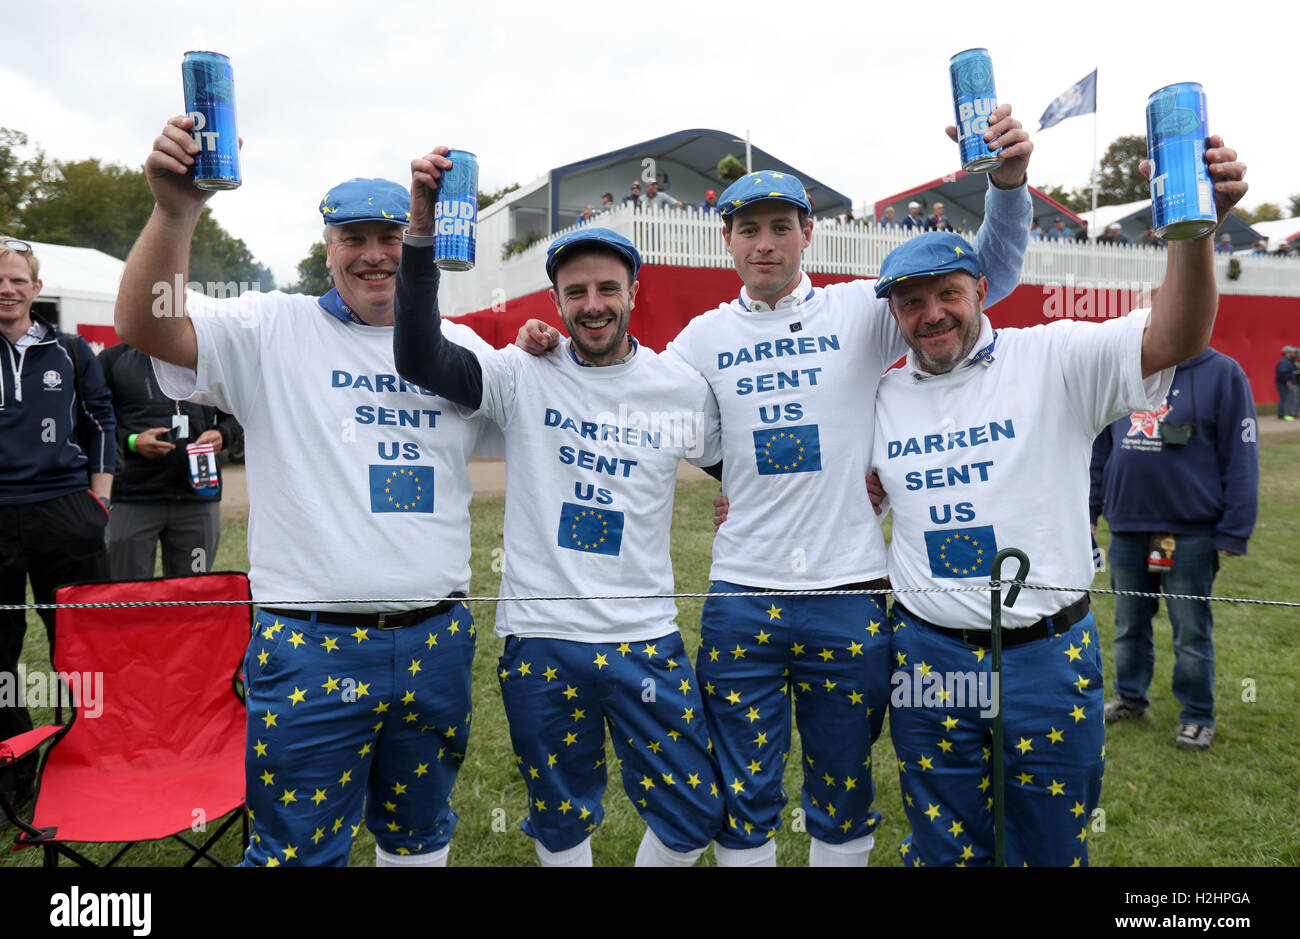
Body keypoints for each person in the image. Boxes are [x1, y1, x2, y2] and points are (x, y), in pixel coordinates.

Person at [519, 103, 1035, 866]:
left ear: (807, 233)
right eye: (748, 230)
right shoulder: (700, 340)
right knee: (743, 798)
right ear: (726, 240)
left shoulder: (862, 309)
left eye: (780, 228)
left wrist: (1009, 185)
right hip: (741, 595)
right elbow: (628, 387)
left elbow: (992, 272)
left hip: (850, 593)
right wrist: (549, 344)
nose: (765, 243)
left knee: (843, 791)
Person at [113, 115, 502, 868]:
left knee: (421, 832)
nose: (374, 254)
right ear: (327, 248)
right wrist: (175, 211)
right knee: (296, 851)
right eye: (354, 238)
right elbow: (146, 325)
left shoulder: (462, 349)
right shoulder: (271, 327)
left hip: (436, 638)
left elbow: (551, 425)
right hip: (311, 645)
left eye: (390, 236)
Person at [869, 136, 1246, 865]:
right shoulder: (880, 396)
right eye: (912, 303)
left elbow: (1176, 335)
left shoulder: (1053, 358)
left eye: (948, 294)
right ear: (895, 313)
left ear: (982, 290)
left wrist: (1195, 233)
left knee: (1049, 848)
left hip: (1044, 657)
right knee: (942, 849)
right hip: (928, 656)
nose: (932, 314)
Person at [395, 151, 725, 866]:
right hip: (541, 638)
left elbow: (735, 468)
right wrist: (420, 232)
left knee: (693, 809)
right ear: (556, 301)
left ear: (634, 291)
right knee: (560, 815)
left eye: (607, 288)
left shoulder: (676, 387)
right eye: (576, 292)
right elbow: (421, 357)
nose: (593, 304)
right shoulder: (523, 373)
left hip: (643, 634)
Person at [1090, 348, 1258, 752]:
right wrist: (1089, 509)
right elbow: (1100, 448)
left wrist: (1235, 529)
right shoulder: (1123, 368)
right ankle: (1129, 698)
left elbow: (1241, 454)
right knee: (1128, 624)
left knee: (1190, 631)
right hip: (1128, 527)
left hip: (1190, 532)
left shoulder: (1224, 373)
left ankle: (1198, 714)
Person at [1, 236, 115, 795]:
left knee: (82, 643)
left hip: (67, 512)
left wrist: (100, 501)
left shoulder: (70, 350)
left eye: (17, 279)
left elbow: (101, 422)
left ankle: (92, 756)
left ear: (36, 288)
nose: (7, 288)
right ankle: (13, 770)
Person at [98, 341, 242, 579]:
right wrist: (133, 441)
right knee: (129, 594)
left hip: (197, 499)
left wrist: (222, 434)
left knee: (193, 592)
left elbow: (237, 414)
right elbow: (95, 424)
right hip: (132, 498)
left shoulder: (210, 359)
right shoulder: (112, 360)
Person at [1275, 346, 1298, 420]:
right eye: (1292, 352)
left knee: (1285, 399)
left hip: (1284, 383)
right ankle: (1282, 415)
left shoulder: (1287, 361)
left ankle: (1283, 414)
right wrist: (1287, 381)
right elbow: (1282, 372)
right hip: (1283, 384)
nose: (1293, 353)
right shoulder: (1284, 361)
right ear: (1287, 353)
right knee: (1284, 399)